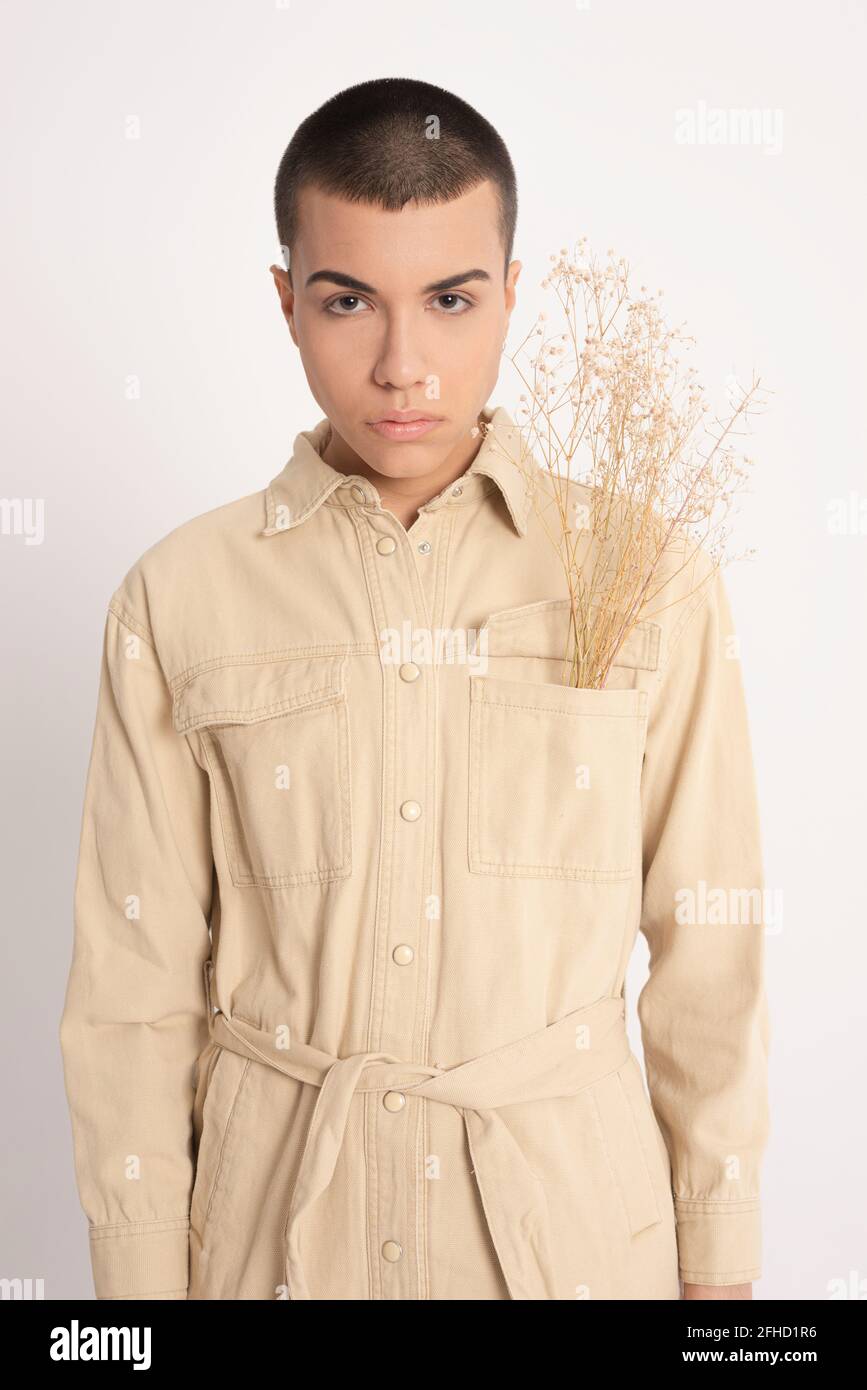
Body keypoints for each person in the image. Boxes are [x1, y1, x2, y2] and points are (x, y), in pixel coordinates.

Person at [59, 76, 770, 1301]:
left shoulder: (648, 579)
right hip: (273, 1247)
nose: (403, 364)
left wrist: (720, 1272)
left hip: (575, 1250)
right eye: (348, 302)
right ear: (286, 302)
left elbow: (712, 959)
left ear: (510, 291)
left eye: (451, 300)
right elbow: (132, 991)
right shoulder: (175, 600)